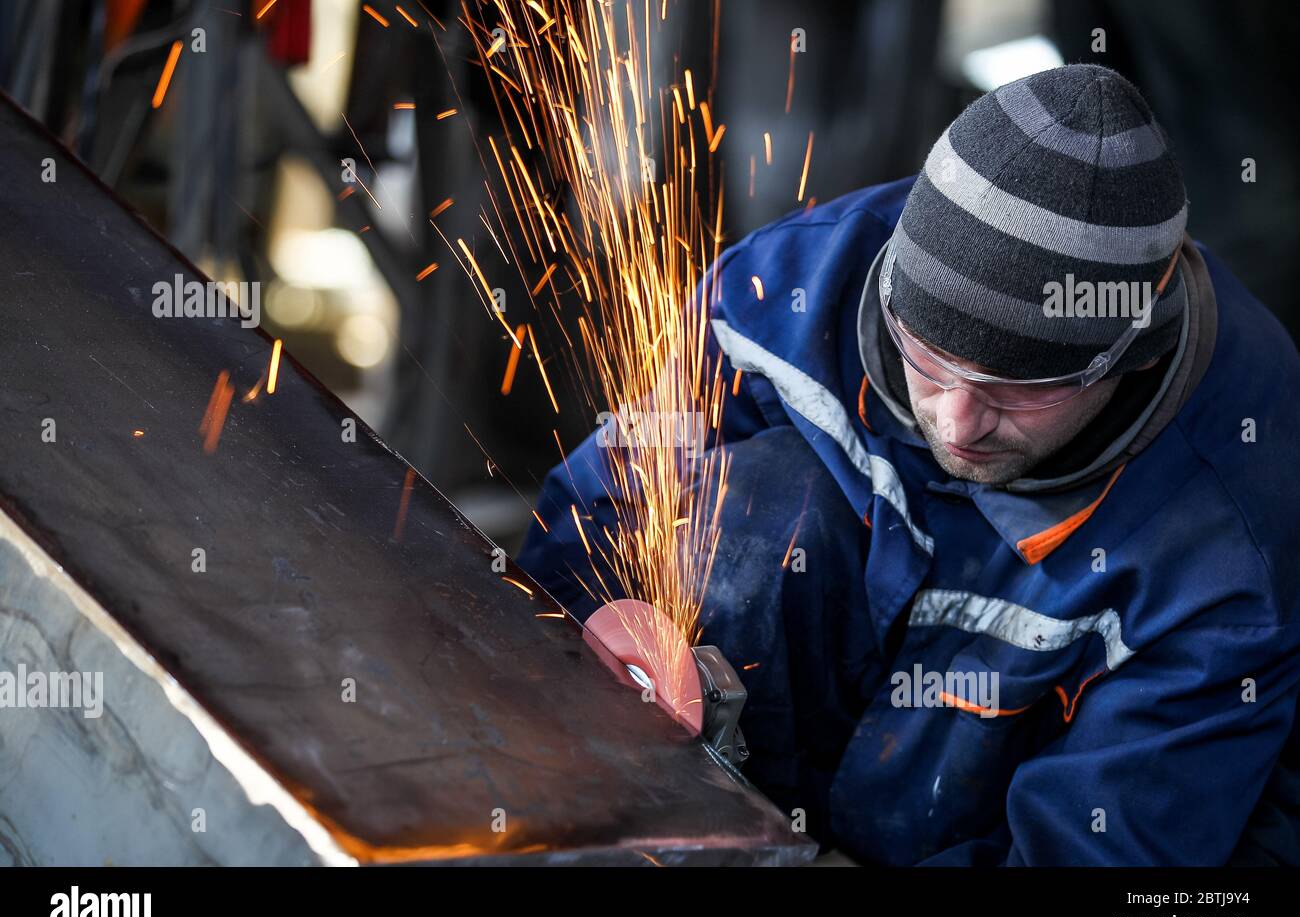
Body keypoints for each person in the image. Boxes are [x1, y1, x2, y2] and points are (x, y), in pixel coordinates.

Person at [517, 64, 1300, 865]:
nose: (956, 422)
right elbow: (599, 508)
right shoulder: (784, 292)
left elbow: (1100, 853)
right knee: (756, 502)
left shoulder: (1234, 534)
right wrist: (609, 614)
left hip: (1030, 802)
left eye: (1015, 389)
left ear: (1130, 357)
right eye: (927, 361)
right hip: (798, 756)